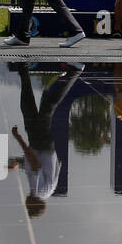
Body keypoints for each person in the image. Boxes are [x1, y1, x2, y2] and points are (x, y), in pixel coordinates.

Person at [8, 63, 82, 217]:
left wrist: (19, 163)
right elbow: (35, 164)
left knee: (30, 108)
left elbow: (38, 166)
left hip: (43, 145)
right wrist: (19, 139)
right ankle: (74, 73)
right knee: (43, 107)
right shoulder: (38, 191)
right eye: (27, 206)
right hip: (39, 144)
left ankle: (24, 69)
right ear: (34, 205)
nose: (25, 203)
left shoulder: (47, 192)